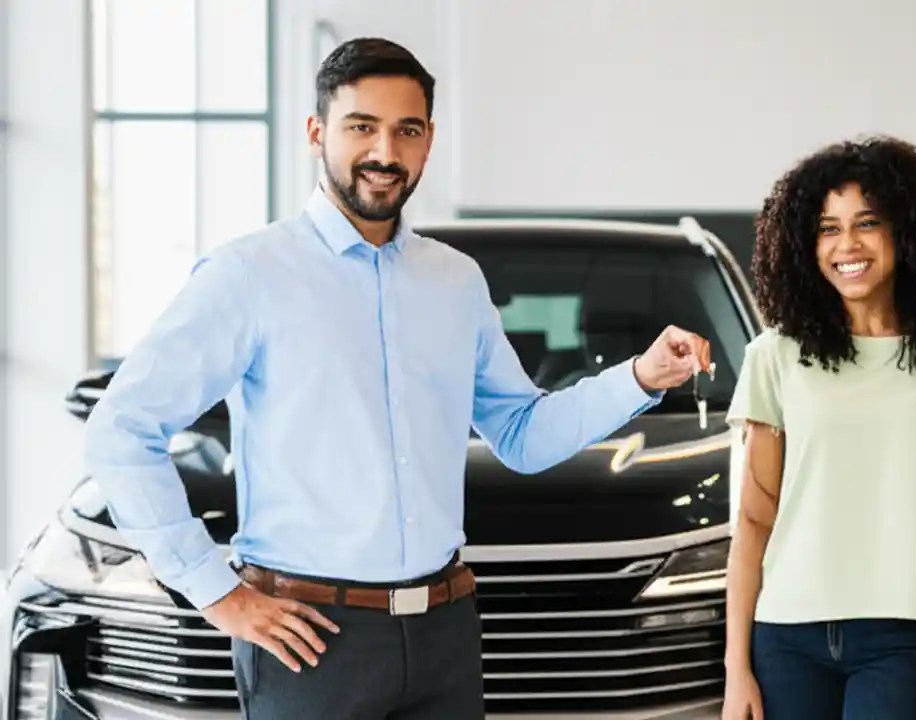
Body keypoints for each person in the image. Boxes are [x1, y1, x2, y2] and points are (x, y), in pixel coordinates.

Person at [83, 37, 711, 719]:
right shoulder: (249, 276)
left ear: (428, 141)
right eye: (362, 127)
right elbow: (123, 429)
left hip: (443, 632)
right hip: (312, 641)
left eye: (406, 130)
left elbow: (523, 436)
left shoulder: (454, 281)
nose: (385, 152)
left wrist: (643, 376)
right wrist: (214, 592)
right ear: (317, 132)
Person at [720, 137, 916, 720]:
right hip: (785, 634)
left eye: (867, 223)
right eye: (827, 228)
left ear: (908, 230)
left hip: (910, 631)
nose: (847, 245)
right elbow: (753, 517)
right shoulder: (775, 356)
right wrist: (735, 668)